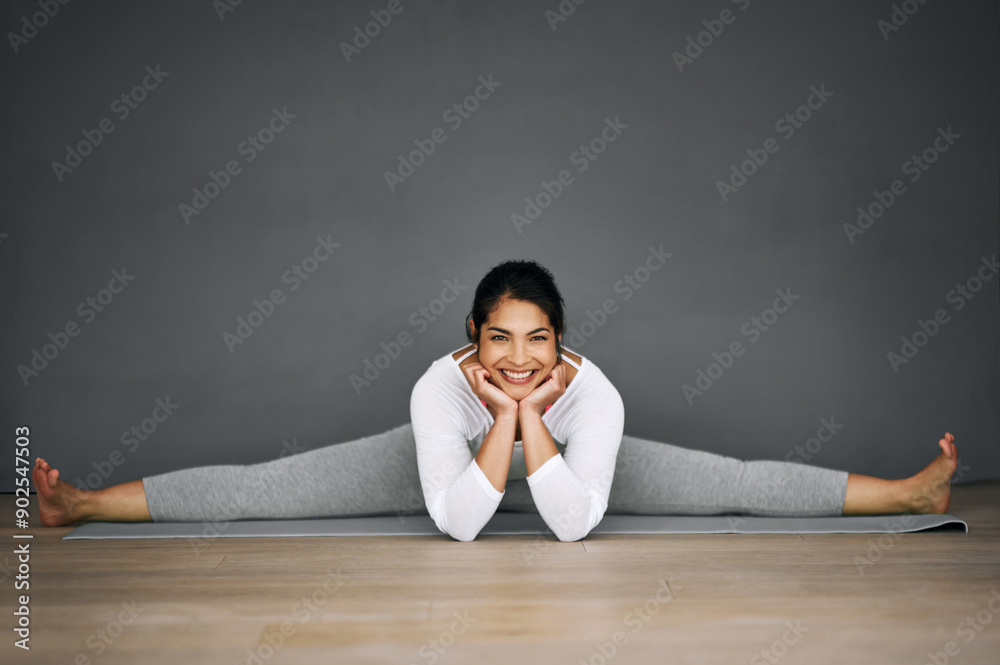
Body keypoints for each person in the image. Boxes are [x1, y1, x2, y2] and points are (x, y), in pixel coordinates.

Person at [32, 260, 960, 542]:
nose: (519, 358)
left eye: (539, 339)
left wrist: (525, 419)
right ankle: (81, 503)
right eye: (499, 339)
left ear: (563, 342)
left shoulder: (597, 398)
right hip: (448, 472)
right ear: (472, 338)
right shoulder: (439, 389)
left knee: (738, 480)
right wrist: (510, 417)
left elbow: (568, 526)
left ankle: (910, 495)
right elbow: (462, 524)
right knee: (262, 486)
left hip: (572, 473)